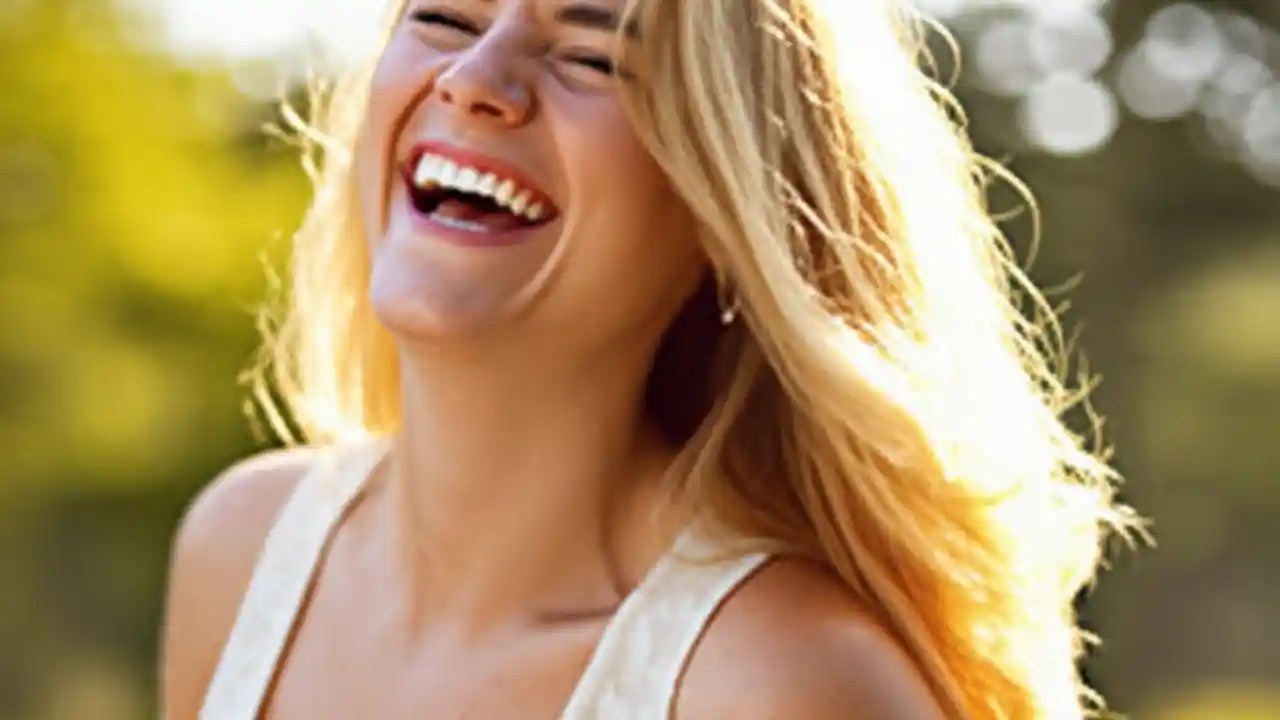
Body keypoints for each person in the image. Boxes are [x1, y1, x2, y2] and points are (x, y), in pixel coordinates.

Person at [160, 0, 1145, 717]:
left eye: (591, 58)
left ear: (724, 206)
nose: (471, 82)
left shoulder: (778, 685)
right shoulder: (244, 550)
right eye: (444, 19)